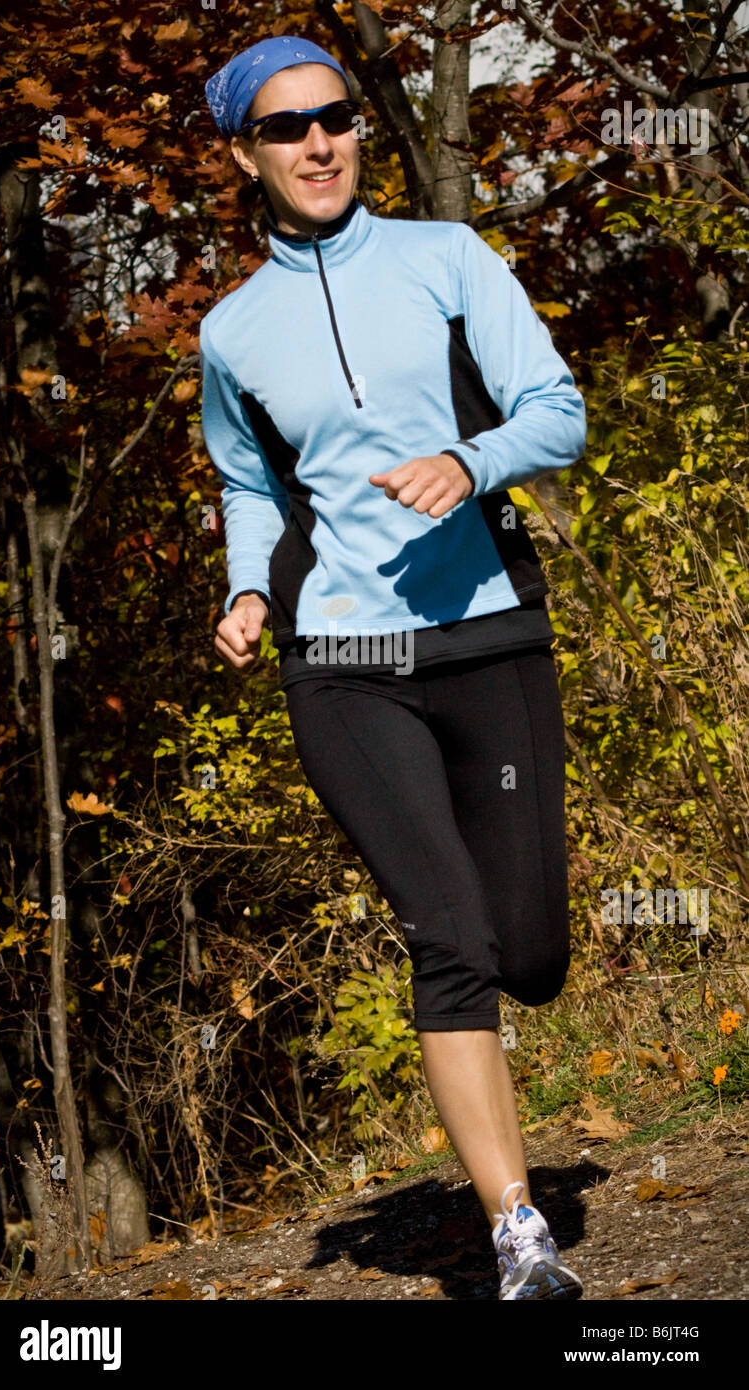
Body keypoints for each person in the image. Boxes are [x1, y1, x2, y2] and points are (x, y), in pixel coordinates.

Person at [201, 34, 587, 1301]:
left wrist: (470, 464)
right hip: (344, 660)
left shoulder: (445, 259)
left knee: (528, 950)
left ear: (358, 128)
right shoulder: (231, 330)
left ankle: (513, 1142)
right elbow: (247, 482)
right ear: (246, 154)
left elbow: (557, 412)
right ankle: (515, 1232)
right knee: (452, 935)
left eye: (334, 116)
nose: (316, 143)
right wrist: (251, 583)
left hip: (484, 637)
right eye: (283, 127)